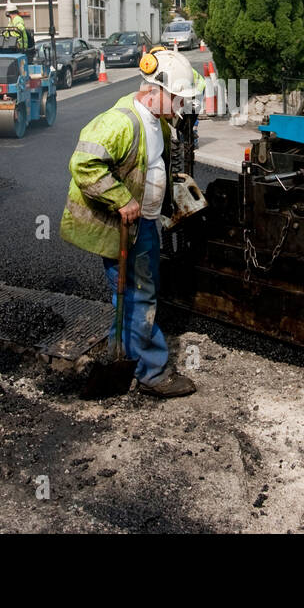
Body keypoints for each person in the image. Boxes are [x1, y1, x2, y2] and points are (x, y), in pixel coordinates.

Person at [59, 48, 200, 397]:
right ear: (155, 91)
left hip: (146, 225)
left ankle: (121, 352)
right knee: (140, 296)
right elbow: (83, 163)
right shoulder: (120, 121)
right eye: (177, 100)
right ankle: (153, 374)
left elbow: (154, 164)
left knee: (132, 294)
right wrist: (122, 200)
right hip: (125, 229)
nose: (181, 107)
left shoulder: (157, 121)